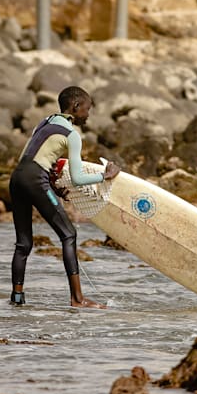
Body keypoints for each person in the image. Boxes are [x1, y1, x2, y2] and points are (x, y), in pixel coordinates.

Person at [9, 85, 120, 308]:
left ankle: (17, 298)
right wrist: (104, 176)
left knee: (23, 244)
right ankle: (78, 299)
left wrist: (51, 183)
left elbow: (35, 154)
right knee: (69, 234)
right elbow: (78, 178)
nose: (88, 115)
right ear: (76, 106)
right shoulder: (72, 135)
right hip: (35, 180)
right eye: (87, 109)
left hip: (16, 178)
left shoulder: (45, 121)